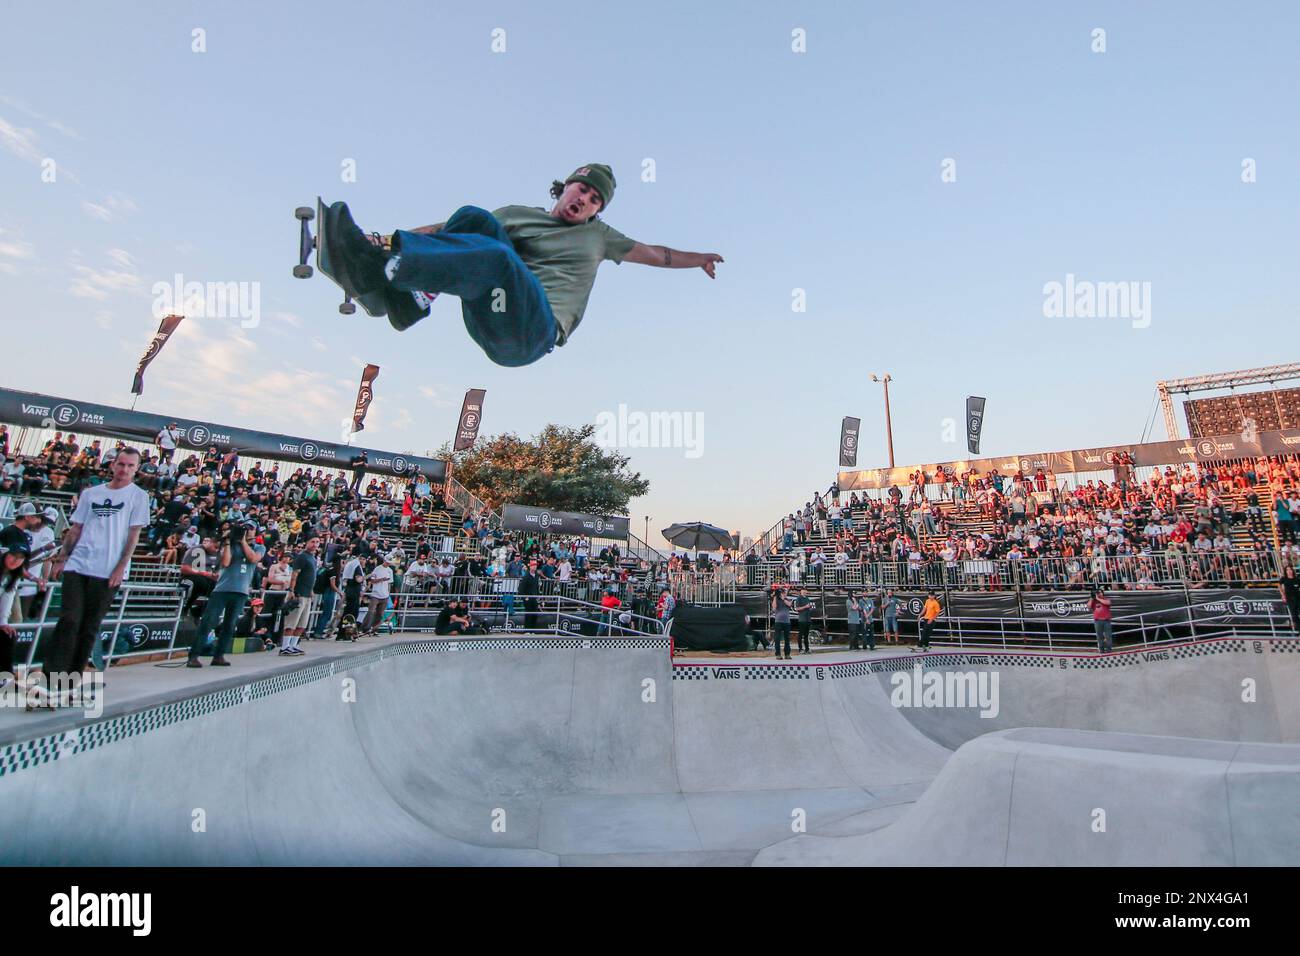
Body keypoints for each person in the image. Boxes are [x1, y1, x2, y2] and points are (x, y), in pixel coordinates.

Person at [321, 164, 724, 366]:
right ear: (565, 187)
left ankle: (395, 276)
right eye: (581, 189)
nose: (584, 200)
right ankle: (399, 297)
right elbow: (446, 231)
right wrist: (380, 242)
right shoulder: (517, 215)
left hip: (530, 334)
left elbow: (656, 254)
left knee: (498, 258)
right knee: (473, 218)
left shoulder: (601, 237)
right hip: (493, 311)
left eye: (594, 200)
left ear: (597, 210)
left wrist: (697, 260)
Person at [42, 448, 150, 696]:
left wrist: (121, 566)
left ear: (136, 469)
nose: (124, 469)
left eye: (130, 466)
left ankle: (70, 681)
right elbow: (76, 528)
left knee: (89, 626)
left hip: (108, 570)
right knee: (69, 620)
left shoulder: (138, 497)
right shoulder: (92, 493)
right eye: (120, 464)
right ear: (113, 465)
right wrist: (62, 558)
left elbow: (133, 535)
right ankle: (51, 679)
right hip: (79, 565)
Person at [186, 518, 266, 668]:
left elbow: (253, 559)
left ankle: (219, 655)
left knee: (230, 625)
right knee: (208, 622)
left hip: (241, 591)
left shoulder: (259, 547)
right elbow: (225, 562)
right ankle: (194, 655)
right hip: (222, 589)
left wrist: (243, 542)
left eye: (250, 528)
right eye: (245, 527)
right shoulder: (230, 544)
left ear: (255, 532)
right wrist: (228, 542)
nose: (247, 530)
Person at [281, 536, 321, 655]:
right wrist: (292, 590)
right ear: (307, 543)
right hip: (299, 593)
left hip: (307, 594)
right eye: (312, 541)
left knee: (302, 623)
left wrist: (311, 590)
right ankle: (285, 647)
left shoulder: (313, 558)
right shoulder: (302, 557)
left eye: (317, 542)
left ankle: (293, 645)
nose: (315, 544)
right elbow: (295, 575)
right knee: (292, 622)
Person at [0, 541, 31, 691]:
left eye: (20, 558)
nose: (15, 560)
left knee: (8, 635)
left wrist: (3, 622)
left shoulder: (14, 576)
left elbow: (7, 598)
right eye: (13, 555)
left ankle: (5, 677)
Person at [364, 556, 394, 635]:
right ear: (384, 561)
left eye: (389, 563)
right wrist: (381, 579)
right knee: (371, 611)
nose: (388, 564)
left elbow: (389, 583)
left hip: (385, 595)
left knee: (380, 614)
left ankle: (374, 629)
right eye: (387, 562)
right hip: (376, 594)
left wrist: (388, 593)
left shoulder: (390, 571)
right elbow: (372, 581)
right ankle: (365, 628)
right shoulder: (377, 569)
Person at [770, 586, 792, 660]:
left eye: (785, 592)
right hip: (778, 621)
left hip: (786, 621)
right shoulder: (776, 600)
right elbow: (774, 607)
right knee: (777, 638)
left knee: (787, 638)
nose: (784, 594)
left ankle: (787, 654)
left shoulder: (788, 599)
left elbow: (789, 604)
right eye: (782, 593)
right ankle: (778, 654)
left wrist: (783, 599)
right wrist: (775, 597)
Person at [1088, 587, 1113, 653]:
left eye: (1100, 593)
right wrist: (1091, 599)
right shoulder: (1094, 601)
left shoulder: (1105, 599)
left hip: (1106, 621)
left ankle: (1109, 650)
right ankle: (1101, 650)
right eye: (1097, 593)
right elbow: (1089, 607)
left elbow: (1108, 603)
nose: (1099, 594)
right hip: (1098, 621)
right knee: (1099, 636)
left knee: (1108, 636)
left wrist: (1098, 598)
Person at [792, 587, 814, 654]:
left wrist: (809, 607)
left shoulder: (807, 598)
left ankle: (807, 649)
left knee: (806, 635)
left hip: (808, 618)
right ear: (801, 592)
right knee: (801, 634)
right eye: (803, 591)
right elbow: (797, 608)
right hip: (802, 619)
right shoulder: (799, 598)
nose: (804, 592)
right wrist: (805, 607)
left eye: (805, 590)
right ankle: (800, 648)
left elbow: (808, 607)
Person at [1278, 566, 1300, 633]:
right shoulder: (1284, 578)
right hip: (1290, 599)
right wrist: (1282, 594)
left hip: (1298, 598)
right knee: (1294, 615)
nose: (1289, 571)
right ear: (1286, 571)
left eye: (1290, 569)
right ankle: (1298, 630)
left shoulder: (1297, 579)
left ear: (1292, 570)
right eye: (1287, 570)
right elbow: (1279, 585)